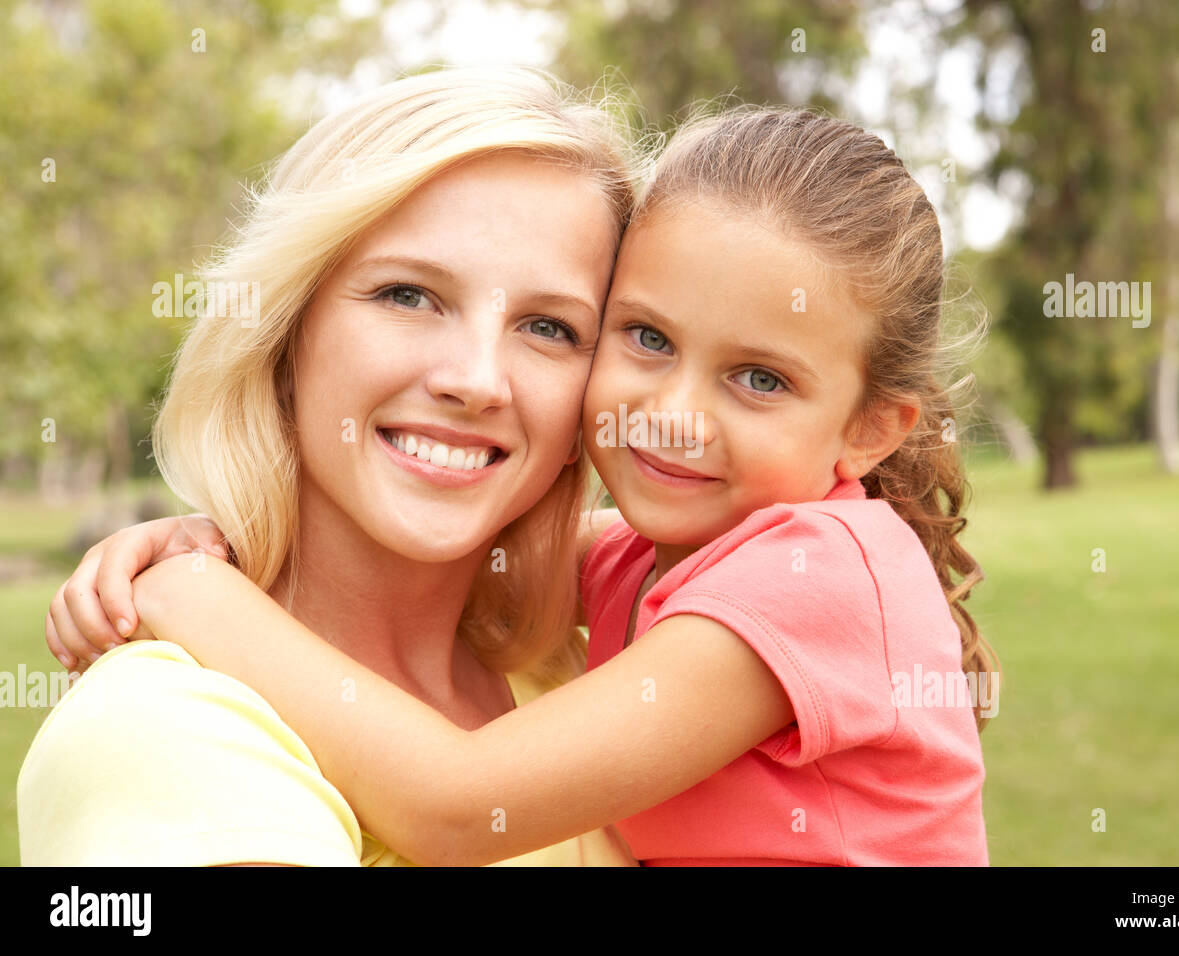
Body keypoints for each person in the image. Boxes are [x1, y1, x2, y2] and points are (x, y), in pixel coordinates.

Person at [46, 106, 998, 866]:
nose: (673, 413)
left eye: (760, 379)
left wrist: (190, 593)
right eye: (649, 338)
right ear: (284, 331)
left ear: (872, 430)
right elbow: (533, 546)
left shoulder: (808, 577)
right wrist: (205, 536)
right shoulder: (170, 735)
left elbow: (460, 808)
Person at [19, 66, 643, 867]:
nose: (477, 380)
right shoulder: (160, 726)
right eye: (408, 295)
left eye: (549, 328)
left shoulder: (585, 675)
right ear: (283, 340)